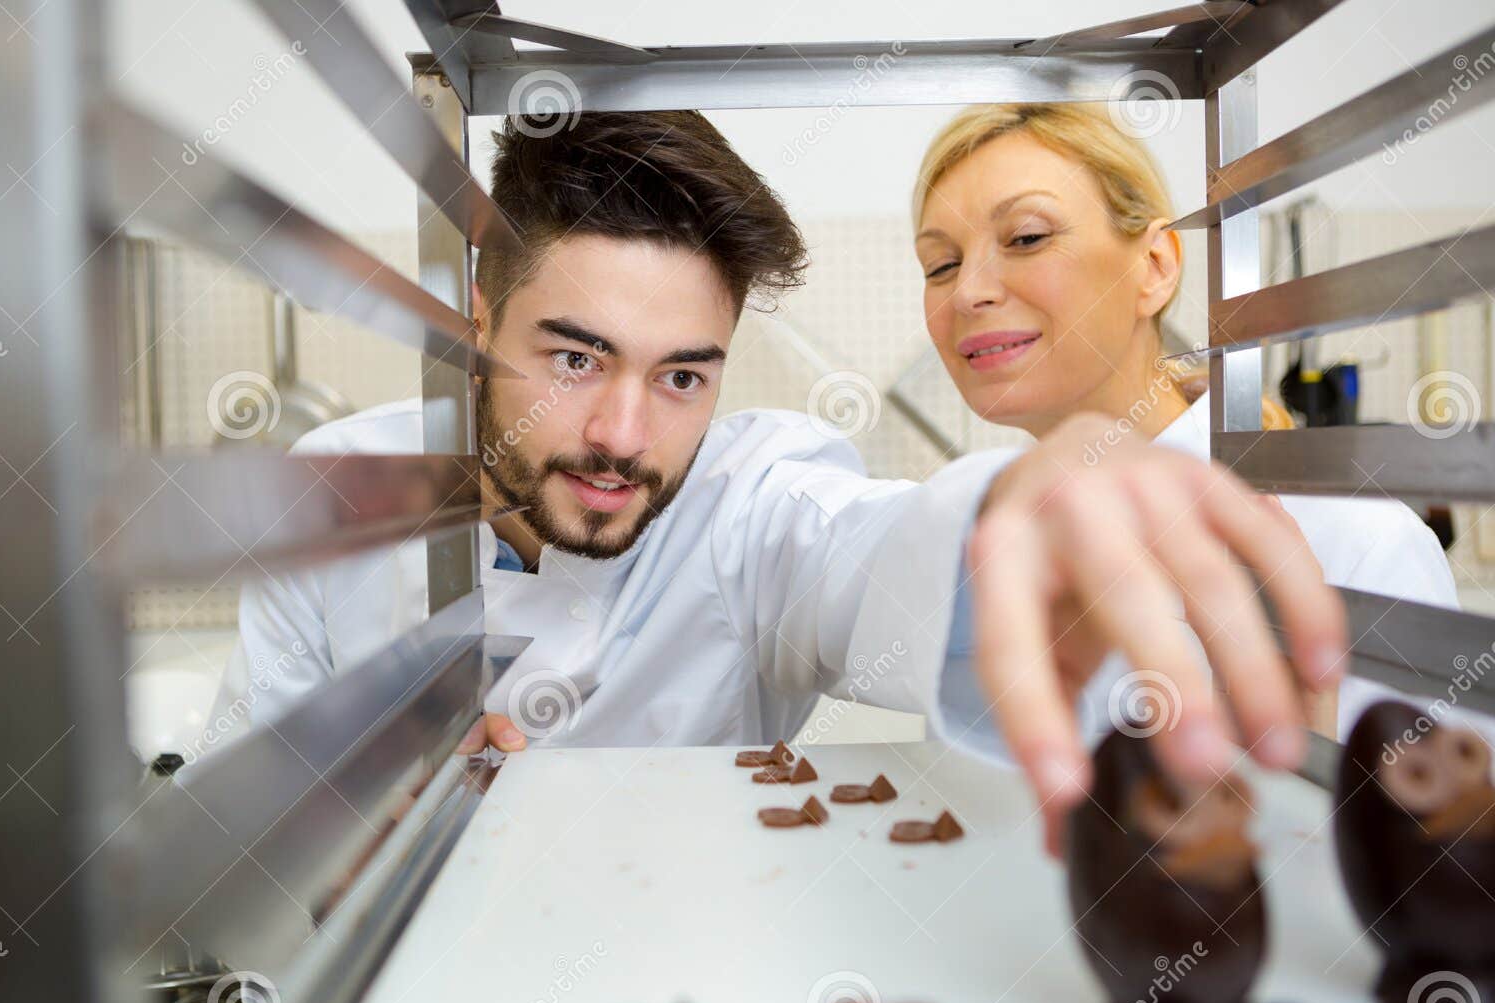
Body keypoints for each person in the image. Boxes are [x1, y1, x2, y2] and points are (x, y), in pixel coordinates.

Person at [209, 110, 1347, 846]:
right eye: (573, 357)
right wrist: (360, 820)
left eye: (682, 376)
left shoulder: (754, 502)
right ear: (476, 320)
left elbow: (871, 556)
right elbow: (221, 837)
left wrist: (1014, 514)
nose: (620, 433)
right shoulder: (335, 498)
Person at [911, 102, 1455, 747]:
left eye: (1027, 237)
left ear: (1156, 267)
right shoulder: (984, 551)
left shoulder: (1359, 543)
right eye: (940, 264)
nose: (968, 290)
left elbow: (1448, 838)